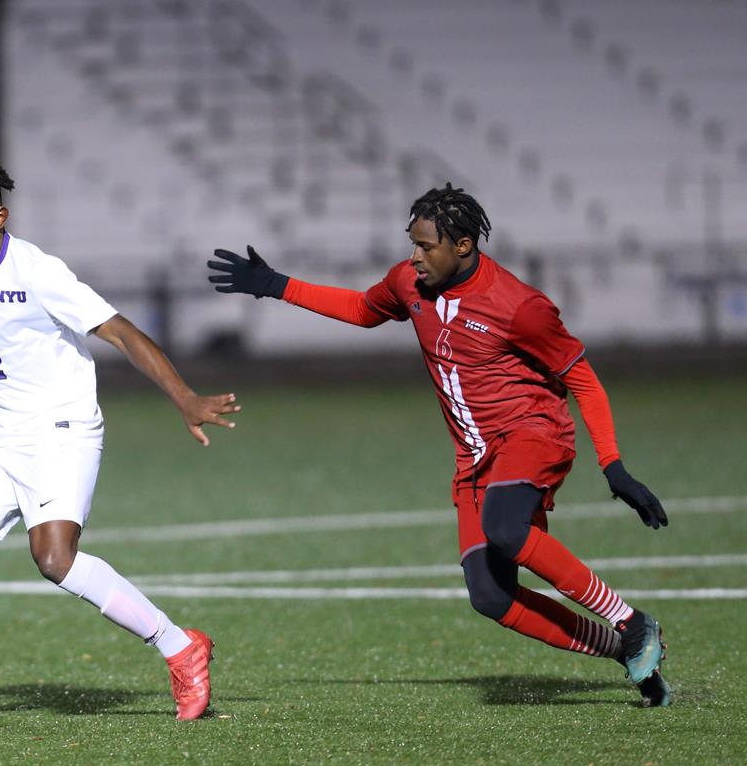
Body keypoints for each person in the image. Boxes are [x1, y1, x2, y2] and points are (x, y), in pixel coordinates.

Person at [208, 184, 672, 706]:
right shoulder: (409, 282)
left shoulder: (520, 306)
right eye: (412, 243)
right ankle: (627, 650)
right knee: (490, 596)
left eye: (426, 245)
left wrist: (613, 466)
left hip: (532, 432)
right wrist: (275, 284)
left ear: (464, 246)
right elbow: (363, 309)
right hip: (473, 457)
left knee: (505, 527)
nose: (414, 256)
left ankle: (630, 620)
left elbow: (583, 380)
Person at [0, 156, 239, 721]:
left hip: (63, 429)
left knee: (55, 559)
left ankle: (180, 648)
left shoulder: (38, 272)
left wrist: (184, 396)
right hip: (3, 437)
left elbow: (121, 332)